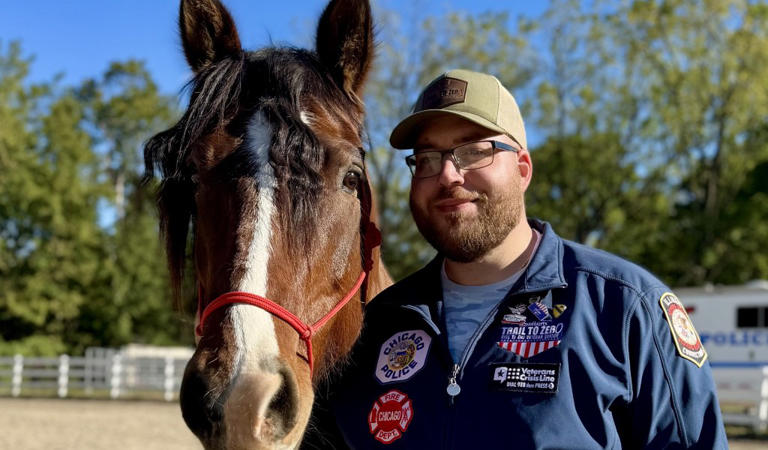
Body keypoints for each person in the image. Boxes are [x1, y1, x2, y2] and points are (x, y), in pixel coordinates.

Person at [307, 69, 727, 449]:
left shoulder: (626, 309)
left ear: (523, 169)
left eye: (474, 151)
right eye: (428, 159)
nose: (449, 175)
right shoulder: (375, 327)